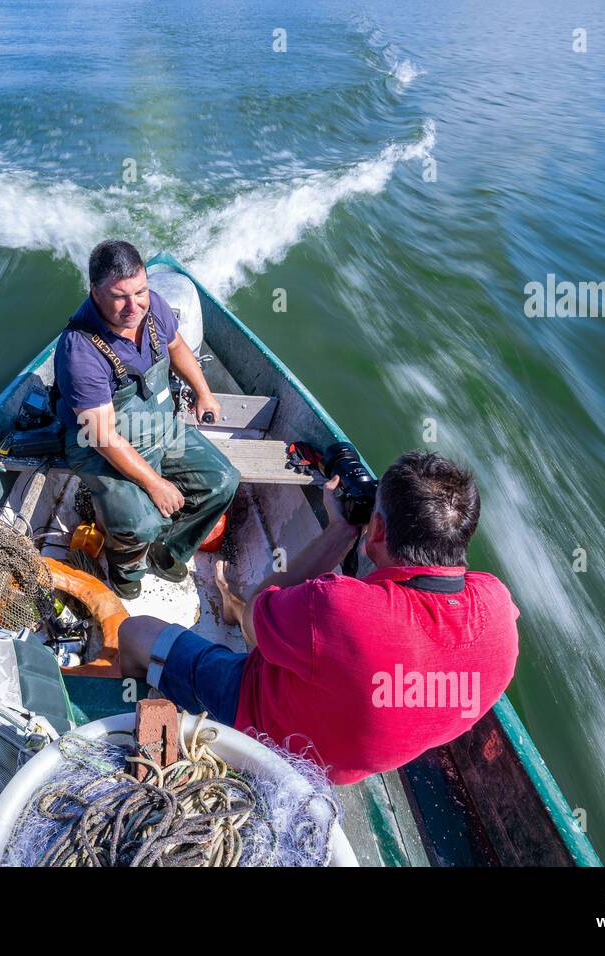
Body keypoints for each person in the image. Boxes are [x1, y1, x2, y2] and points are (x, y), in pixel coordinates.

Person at [118, 451, 520, 784]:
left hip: (257, 724)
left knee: (135, 631)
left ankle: (128, 702)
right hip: (334, 769)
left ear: (377, 530)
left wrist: (341, 531)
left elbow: (254, 620)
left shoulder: (341, 607)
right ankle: (234, 606)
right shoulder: (500, 609)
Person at [55, 240, 240, 599]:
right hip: (99, 444)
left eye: (140, 291)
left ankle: (166, 549)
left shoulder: (152, 307)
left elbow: (176, 347)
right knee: (138, 523)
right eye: (119, 296)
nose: (134, 306)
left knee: (223, 481)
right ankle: (125, 569)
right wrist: (155, 484)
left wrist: (203, 391)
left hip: (159, 425)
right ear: (95, 292)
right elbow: (103, 437)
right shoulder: (80, 350)